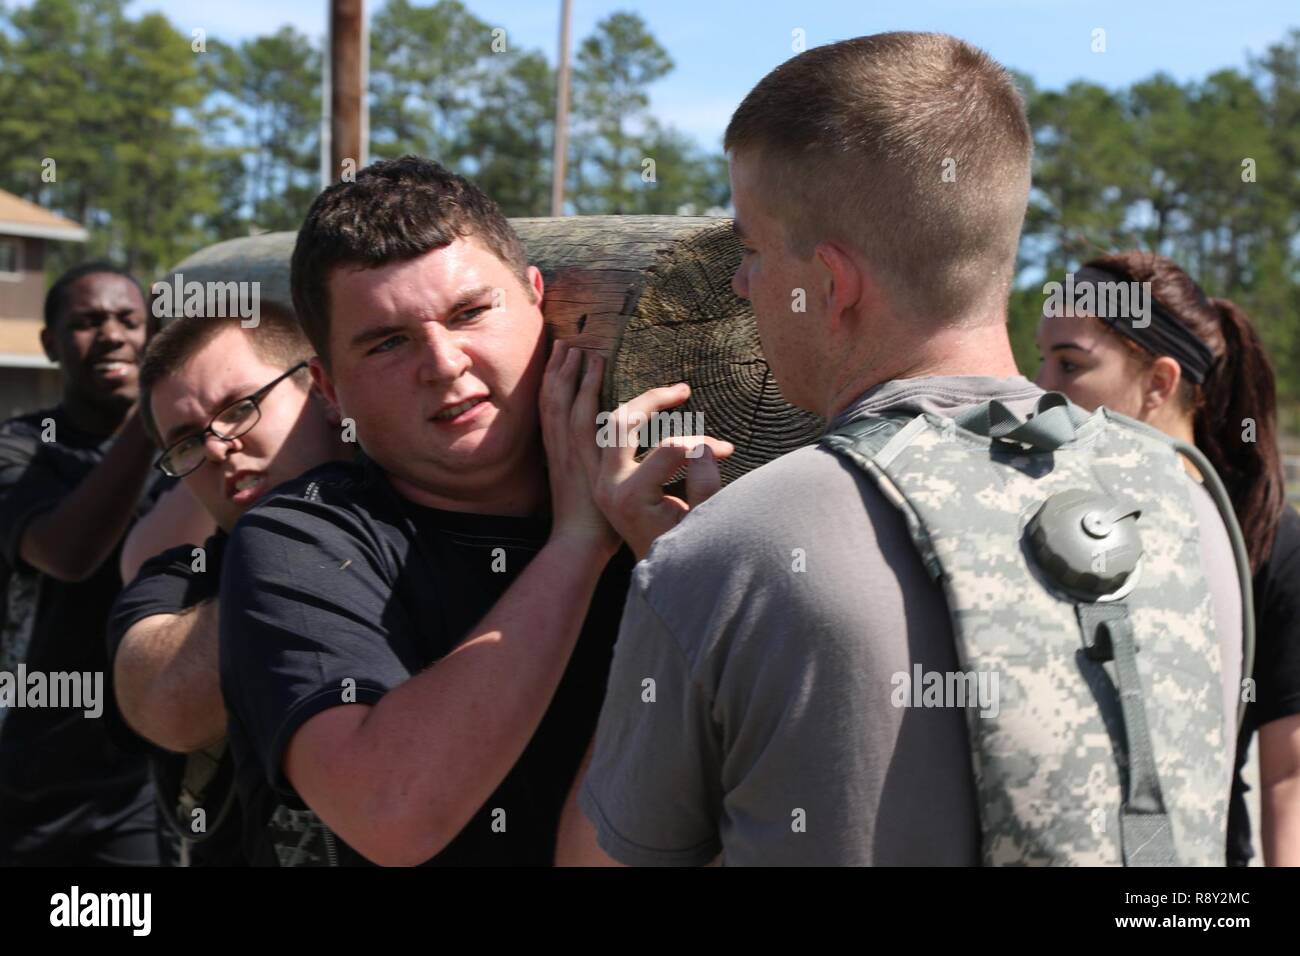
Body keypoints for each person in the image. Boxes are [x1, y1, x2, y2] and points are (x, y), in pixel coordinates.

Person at [556, 32, 1245, 866]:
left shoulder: (729, 552)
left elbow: (604, 858)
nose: (741, 283)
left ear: (833, 286)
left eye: (749, 249)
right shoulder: (1186, 507)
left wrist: (676, 580)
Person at [218, 156, 729, 866]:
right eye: (388, 342)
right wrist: (578, 546)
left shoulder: (660, 518)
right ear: (329, 388)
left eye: (470, 313)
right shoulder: (301, 540)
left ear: (537, 298)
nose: (443, 363)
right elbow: (390, 812)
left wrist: (673, 581)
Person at [1034, 251, 1300, 866]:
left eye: (1070, 364)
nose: (1041, 389)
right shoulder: (1038, 510)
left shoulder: (1263, 540)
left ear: (1159, 383)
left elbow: (1286, 775)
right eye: (1039, 360)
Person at [106, 302, 351, 866]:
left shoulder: (442, 515)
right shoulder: (177, 584)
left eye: (240, 408)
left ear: (322, 388)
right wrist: (302, 546)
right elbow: (165, 705)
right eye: (187, 441)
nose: (217, 448)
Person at [0, 262, 165, 865]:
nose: (113, 336)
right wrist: (151, 416)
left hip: (140, 784)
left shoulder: (194, 452)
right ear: (48, 344)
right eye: (87, 322)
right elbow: (67, 554)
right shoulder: (20, 450)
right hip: (26, 778)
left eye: (129, 320)